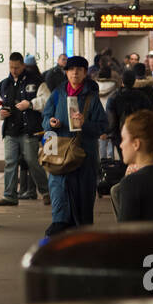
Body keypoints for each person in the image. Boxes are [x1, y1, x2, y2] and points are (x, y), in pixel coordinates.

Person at [41, 56, 109, 236]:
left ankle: (82, 232)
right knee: (58, 189)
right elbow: (45, 118)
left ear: (85, 73)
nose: (75, 73)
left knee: (83, 196)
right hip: (60, 151)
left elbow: (103, 126)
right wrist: (51, 123)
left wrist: (85, 124)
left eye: (79, 70)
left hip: (84, 154)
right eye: (71, 70)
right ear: (66, 72)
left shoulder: (91, 98)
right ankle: (60, 223)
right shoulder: (57, 94)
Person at [0, 52, 49, 205]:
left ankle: (46, 191)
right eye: (11, 67)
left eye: (17, 67)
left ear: (23, 65)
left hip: (28, 130)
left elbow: (47, 100)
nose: (14, 70)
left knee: (32, 161)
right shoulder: (4, 84)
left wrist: (30, 104)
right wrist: (0, 113)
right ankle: (9, 195)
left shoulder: (36, 81)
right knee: (10, 162)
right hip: (10, 130)